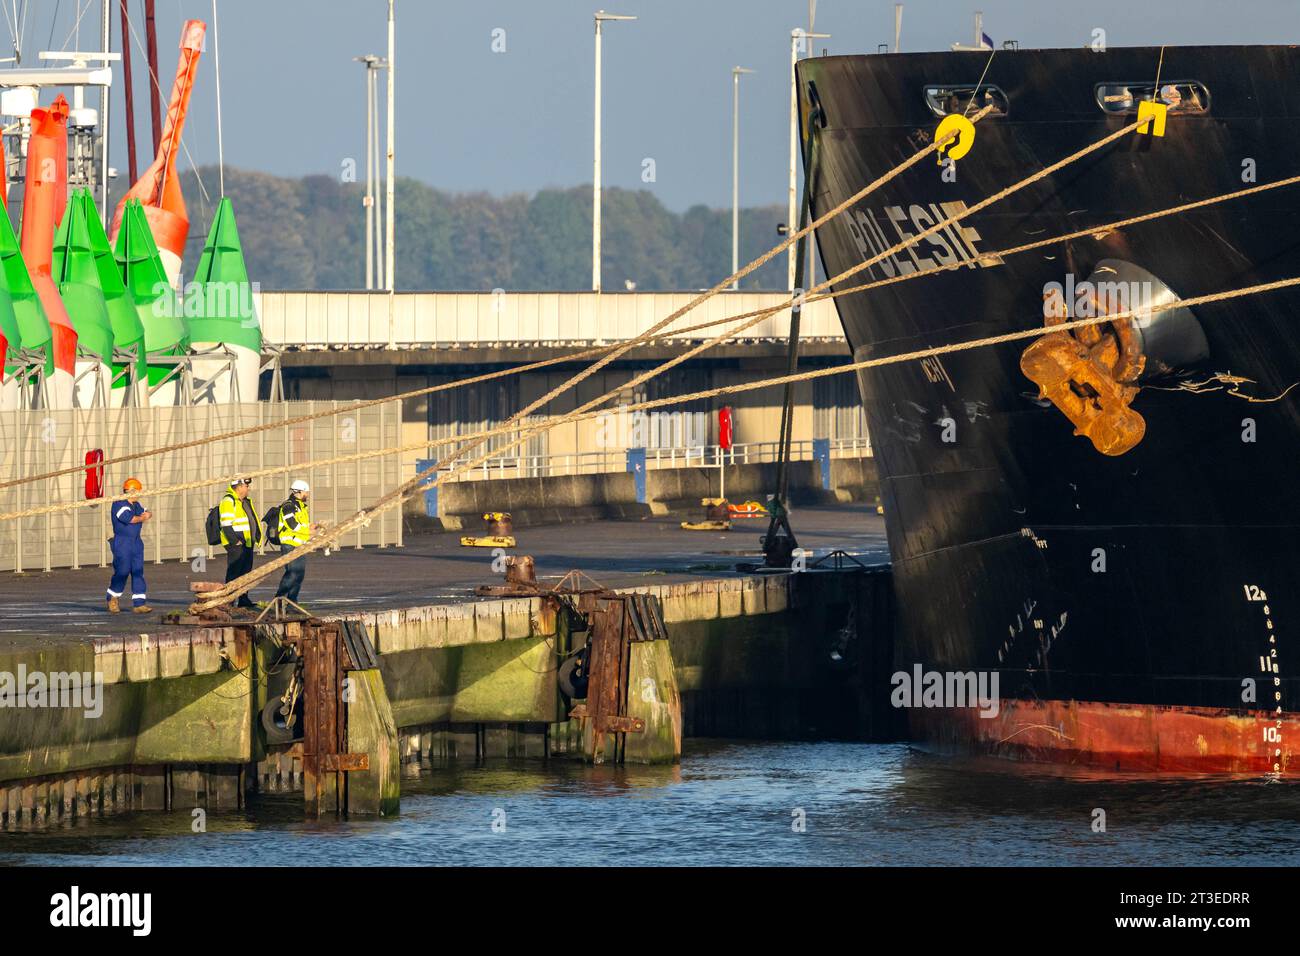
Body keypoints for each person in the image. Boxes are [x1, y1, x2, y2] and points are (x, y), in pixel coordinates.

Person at [107, 478, 152, 614]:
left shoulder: (135, 505)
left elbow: (145, 511)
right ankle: (112, 598)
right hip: (122, 543)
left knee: (138, 571)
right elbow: (129, 519)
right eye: (137, 491)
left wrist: (148, 513)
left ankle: (139, 603)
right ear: (131, 491)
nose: (139, 494)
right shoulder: (119, 504)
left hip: (136, 543)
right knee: (122, 571)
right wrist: (143, 518)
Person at [274, 479, 321, 604]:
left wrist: (311, 527)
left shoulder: (301, 507)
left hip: (299, 545)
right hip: (289, 545)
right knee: (292, 573)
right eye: (306, 492)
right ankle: (279, 599)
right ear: (299, 492)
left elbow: (301, 525)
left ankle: (292, 601)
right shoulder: (288, 506)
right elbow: (292, 525)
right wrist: (309, 532)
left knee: (299, 575)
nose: (308, 494)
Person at [218, 477, 261, 609]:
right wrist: (234, 541)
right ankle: (228, 601)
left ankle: (243, 598)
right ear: (239, 487)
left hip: (247, 542)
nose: (248, 488)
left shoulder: (245, 501)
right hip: (236, 544)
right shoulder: (228, 501)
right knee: (234, 572)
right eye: (246, 486)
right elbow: (225, 524)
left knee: (246, 572)